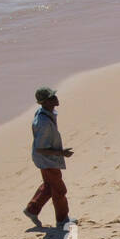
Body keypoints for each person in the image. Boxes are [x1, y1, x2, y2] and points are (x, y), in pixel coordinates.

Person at [24, 87, 73, 229]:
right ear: (44, 102)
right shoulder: (43, 122)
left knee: (49, 186)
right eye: (52, 98)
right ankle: (62, 220)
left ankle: (32, 210)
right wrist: (61, 153)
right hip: (47, 160)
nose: (56, 99)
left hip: (46, 158)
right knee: (59, 190)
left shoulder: (47, 113)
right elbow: (41, 148)